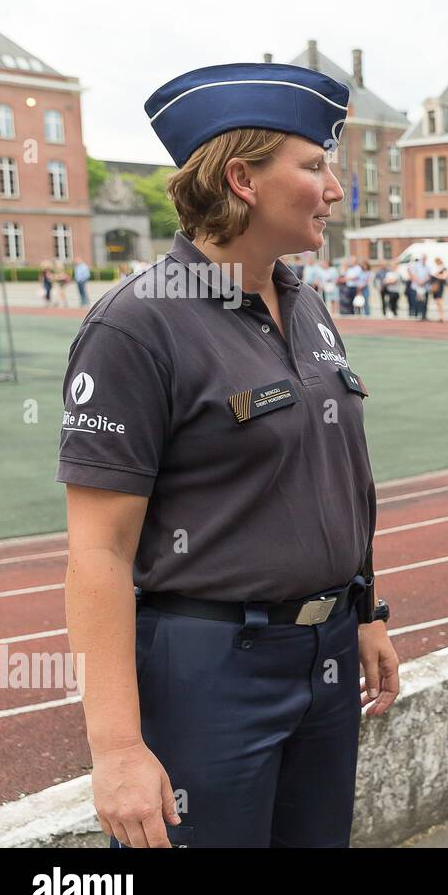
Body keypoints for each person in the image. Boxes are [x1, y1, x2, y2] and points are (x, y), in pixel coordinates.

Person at [59, 62, 399, 848]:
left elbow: (337, 477)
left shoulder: (308, 306)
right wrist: (117, 751)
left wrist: (364, 611)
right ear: (242, 180)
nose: (334, 189)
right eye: (313, 166)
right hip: (210, 674)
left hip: (325, 658)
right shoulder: (136, 326)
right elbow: (97, 552)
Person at [429, 257, 448, 322]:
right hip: (435, 286)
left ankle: (443, 316)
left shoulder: (443, 268)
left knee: (440, 302)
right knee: (437, 302)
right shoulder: (436, 268)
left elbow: (445, 277)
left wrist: (436, 276)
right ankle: (440, 316)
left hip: (440, 286)